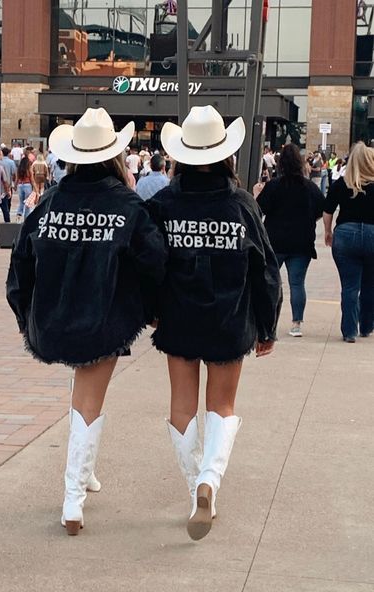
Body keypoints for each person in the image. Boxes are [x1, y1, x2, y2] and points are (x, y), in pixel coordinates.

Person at [6, 107, 167, 536]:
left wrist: (26, 316)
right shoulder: (127, 204)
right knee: (90, 402)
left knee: (83, 393)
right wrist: (150, 309)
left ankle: (86, 472)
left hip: (56, 316)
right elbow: (155, 261)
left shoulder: (51, 201)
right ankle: (72, 499)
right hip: (104, 317)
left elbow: (20, 262)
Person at [147, 106, 281, 541]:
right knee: (221, 407)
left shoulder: (164, 203)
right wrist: (268, 325)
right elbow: (265, 268)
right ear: (226, 154)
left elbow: (147, 261)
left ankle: (195, 490)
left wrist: (149, 306)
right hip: (230, 315)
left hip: (179, 315)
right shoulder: (240, 203)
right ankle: (209, 482)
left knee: (181, 406)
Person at [257, 144, 325, 337]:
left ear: (280, 164)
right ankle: (296, 323)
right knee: (297, 283)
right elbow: (322, 209)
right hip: (301, 242)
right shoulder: (309, 187)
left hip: (275, 241)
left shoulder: (274, 186)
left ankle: (268, 322)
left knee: (270, 282)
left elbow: (260, 209)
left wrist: (256, 194)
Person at [323, 141, 374, 342]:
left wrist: (327, 232)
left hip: (346, 233)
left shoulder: (342, 183)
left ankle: (349, 331)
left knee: (350, 286)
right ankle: (367, 326)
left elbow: (327, 210)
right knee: (370, 285)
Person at [0, 148, 16, 222]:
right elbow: (13, 174)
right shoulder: (10, 162)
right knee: (7, 205)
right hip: (6, 186)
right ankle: (7, 220)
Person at [16, 156, 35, 222]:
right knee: (27, 203)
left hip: (20, 185)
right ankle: (26, 219)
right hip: (27, 185)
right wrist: (35, 188)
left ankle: (19, 214)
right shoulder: (28, 169)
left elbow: (17, 178)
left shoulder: (19, 169)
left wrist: (15, 186)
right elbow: (32, 179)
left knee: (21, 202)